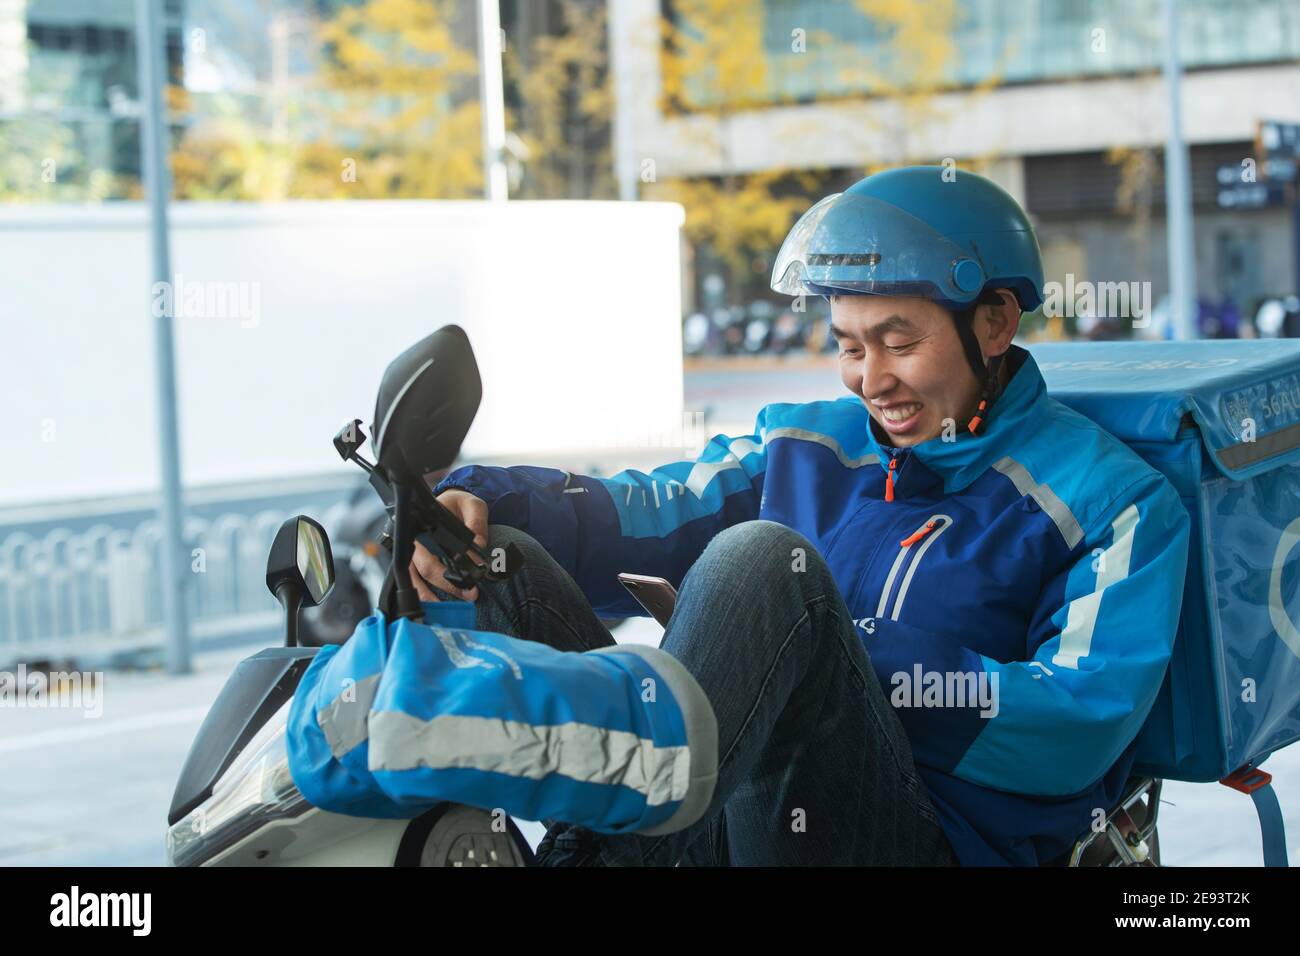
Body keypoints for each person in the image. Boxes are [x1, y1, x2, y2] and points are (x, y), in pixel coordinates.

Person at [409, 166, 1191, 866]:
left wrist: (827, 653)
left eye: (899, 342)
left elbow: (1074, 723)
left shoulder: (1113, 500)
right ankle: (591, 845)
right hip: (727, 813)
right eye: (850, 346)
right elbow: (654, 504)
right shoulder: (801, 442)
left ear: (994, 323)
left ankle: (605, 857)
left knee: (763, 564)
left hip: (923, 838)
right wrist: (483, 500)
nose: (871, 380)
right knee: (507, 555)